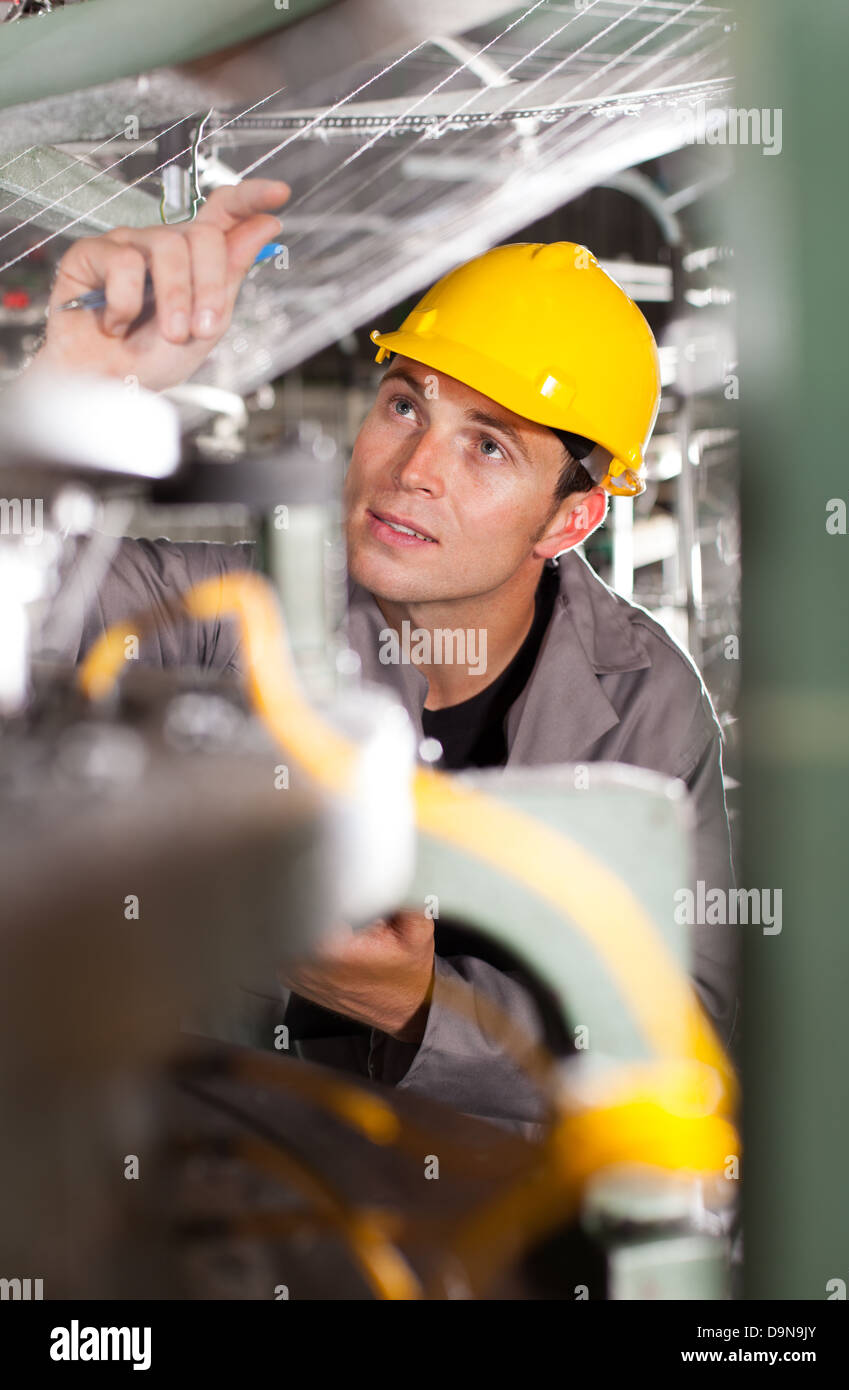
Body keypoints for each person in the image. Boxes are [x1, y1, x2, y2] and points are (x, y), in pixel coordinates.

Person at [26, 178, 737, 1134]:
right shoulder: (228, 609)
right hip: (227, 1179)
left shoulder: (649, 700)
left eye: (487, 447)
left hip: (491, 1228)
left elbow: (696, 1036)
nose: (412, 471)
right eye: (407, 406)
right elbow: (24, 591)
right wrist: (65, 388)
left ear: (570, 518)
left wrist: (419, 1010)